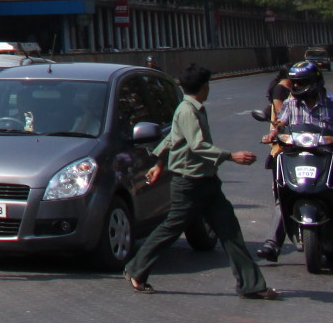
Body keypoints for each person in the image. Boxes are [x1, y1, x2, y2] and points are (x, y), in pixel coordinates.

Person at [127, 65, 274, 298]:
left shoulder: (191, 109)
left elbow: (171, 140)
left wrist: (158, 164)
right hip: (189, 184)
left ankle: (251, 285)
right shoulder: (188, 111)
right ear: (204, 86)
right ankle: (136, 270)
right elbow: (197, 145)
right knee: (171, 228)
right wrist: (231, 156)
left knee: (230, 231)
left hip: (207, 181)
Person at [259, 62, 328, 262]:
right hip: (297, 156)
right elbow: (281, 122)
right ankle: (272, 244)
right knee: (285, 192)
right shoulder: (290, 103)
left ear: (314, 82)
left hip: (325, 157)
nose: (296, 87)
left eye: (301, 83)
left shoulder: (330, 102)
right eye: (294, 83)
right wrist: (273, 132)